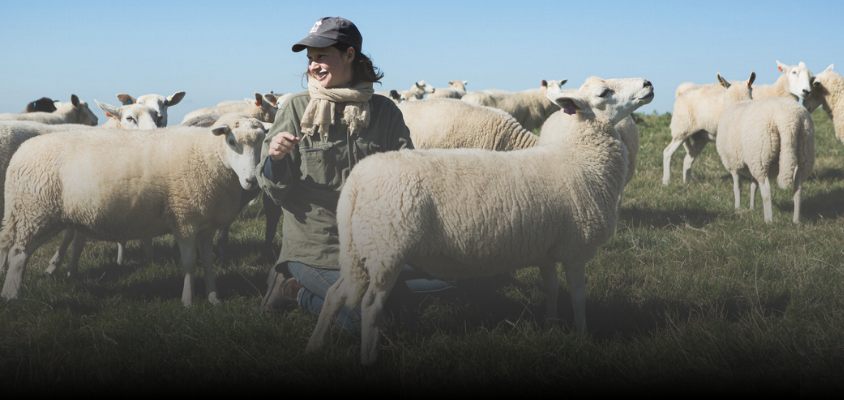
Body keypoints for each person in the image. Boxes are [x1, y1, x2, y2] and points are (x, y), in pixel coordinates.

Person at [256, 17, 453, 331]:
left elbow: (409, 170)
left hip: (376, 244)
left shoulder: (385, 111)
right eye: (310, 59)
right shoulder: (295, 108)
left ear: (349, 55)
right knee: (370, 322)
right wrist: (276, 159)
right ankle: (294, 290)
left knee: (453, 285)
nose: (314, 66)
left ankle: (375, 299)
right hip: (319, 248)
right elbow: (275, 191)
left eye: (322, 56)